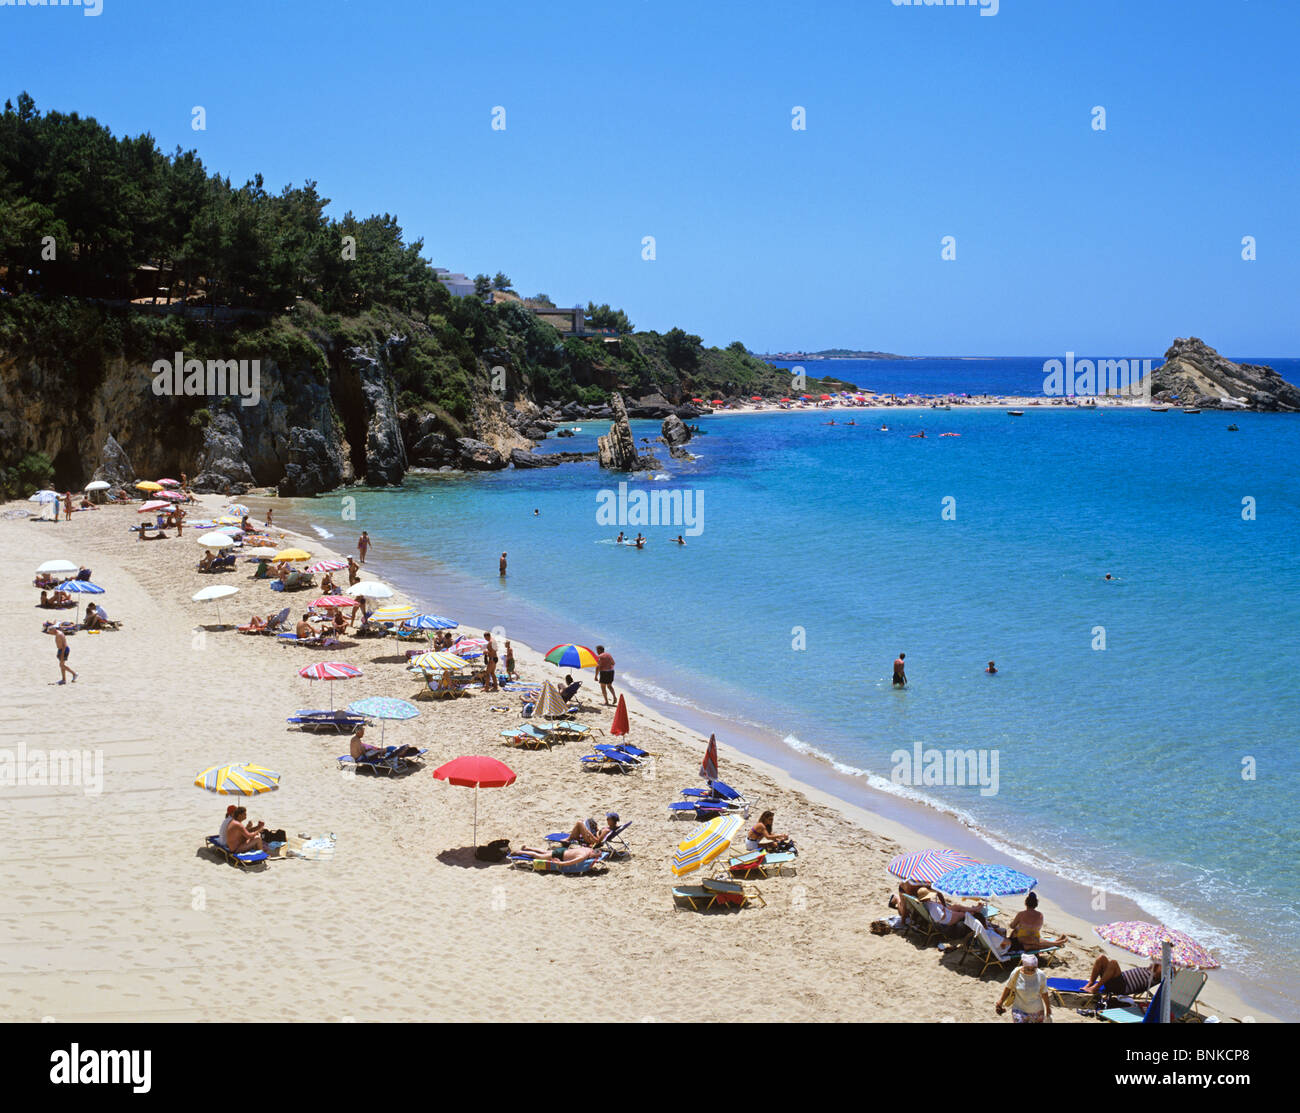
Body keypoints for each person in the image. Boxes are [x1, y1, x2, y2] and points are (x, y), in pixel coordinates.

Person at [995, 954, 1052, 1023]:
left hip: (1037, 1011)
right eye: (1028, 969)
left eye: (1033, 969)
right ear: (1023, 966)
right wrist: (1001, 1001)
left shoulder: (1041, 975)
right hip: (1019, 1010)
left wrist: (1048, 1008)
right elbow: (1008, 987)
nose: (1030, 971)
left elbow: (1044, 993)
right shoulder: (1016, 972)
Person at [1083, 956, 1160, 997]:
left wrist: (1160, 961)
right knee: (1101, 958)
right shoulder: (1153, 967)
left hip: (1122, 987)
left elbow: (1159, 972)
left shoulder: (1160, 974)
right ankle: (1090, 983)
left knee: (1113, 963)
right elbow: (1155, 965)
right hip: (1119, 979)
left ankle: (1095, 988)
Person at [515, 843, 600, 865]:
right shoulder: (583, 856)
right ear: (593, 853)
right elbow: (570, 862)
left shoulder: (588, 849)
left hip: (564, 850)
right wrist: (560, 863)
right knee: (538, 856)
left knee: (545, 852)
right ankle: (520, 852)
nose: (594, 859)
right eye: (594, 857)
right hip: (560, 855)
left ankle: (527, 848)